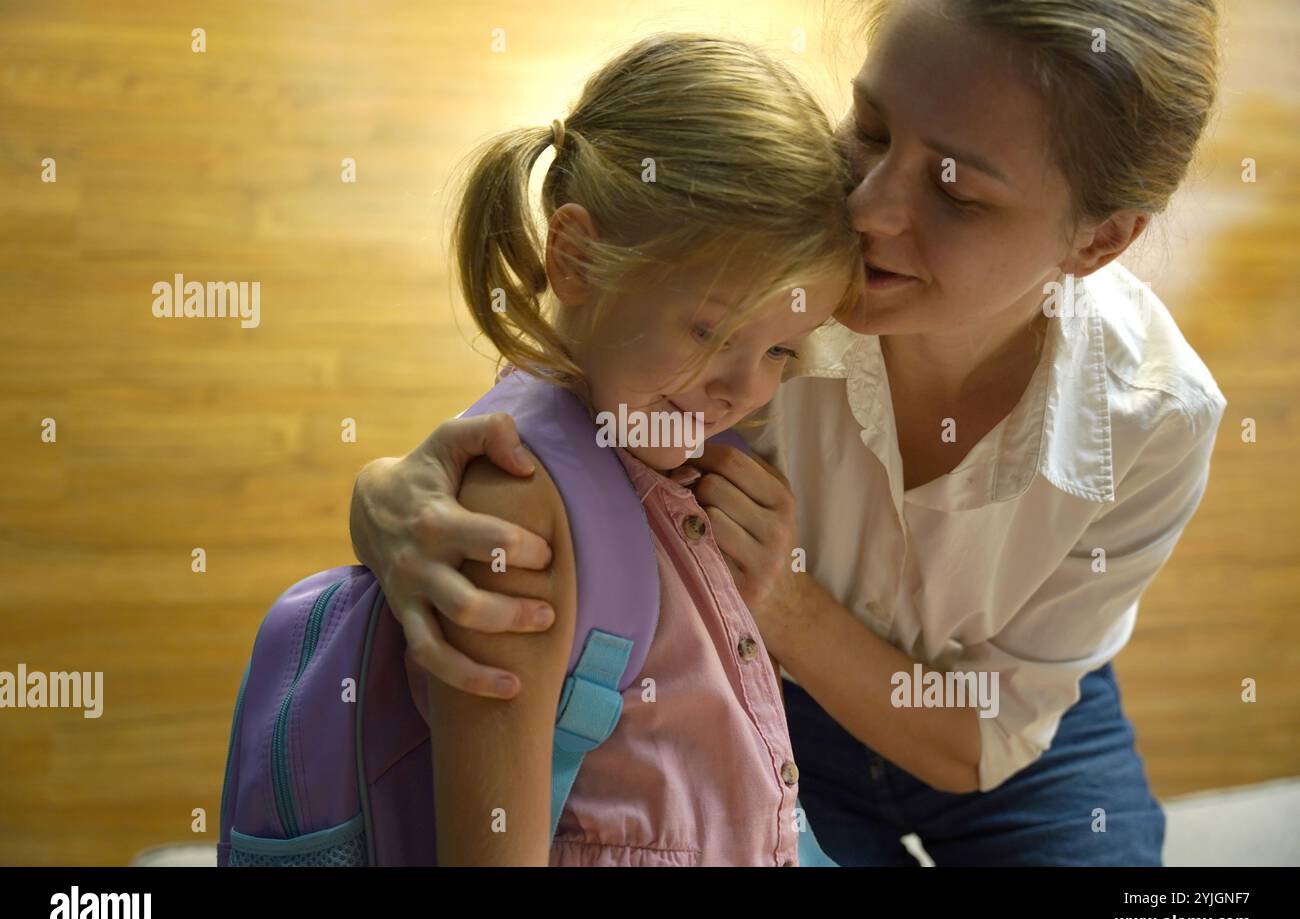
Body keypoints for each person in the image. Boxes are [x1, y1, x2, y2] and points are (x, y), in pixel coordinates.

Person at [353, 0, 1226, 865]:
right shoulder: (766, 274)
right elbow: (566, 412)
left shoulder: (1157, 418)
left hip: (999, 716)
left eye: (954, 190)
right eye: (873, 130)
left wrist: (785, 606)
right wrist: (385, 500)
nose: (868, 208)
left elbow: (981, 738)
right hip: (760, 688)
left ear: (1101, 241)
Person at [408, 31, 863, 865]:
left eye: (780, 350)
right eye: (713, 331)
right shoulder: (516, 505)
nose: (745, 390)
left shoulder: (676, 445)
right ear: (576, 259)